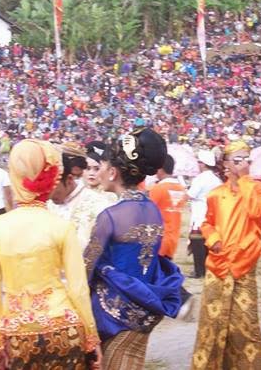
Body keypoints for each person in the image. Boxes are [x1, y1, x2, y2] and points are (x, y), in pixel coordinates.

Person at [0, 139, 100, 368]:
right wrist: (91, 337)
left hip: (18, 331)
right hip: (64, 326)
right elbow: (78, 288)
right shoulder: (61, 226)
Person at [83, 128, 183, 369]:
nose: (99, 171)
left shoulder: (111, 216)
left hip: (114, 315)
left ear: (113, 172)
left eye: (102, 165)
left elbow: (85, 269)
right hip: (146, 312)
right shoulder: (152, 209)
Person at [191, 141, 261, 370]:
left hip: (243, 266)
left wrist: (244, 179)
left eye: (246, 159)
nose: (243, 163)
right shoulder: (216, 194)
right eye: (237, 160)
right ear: (226, 164)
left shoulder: (259, 190)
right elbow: (207, 223)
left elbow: (254, 212)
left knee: (245, 325)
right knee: (211, 325)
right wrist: (213, 239)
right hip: (218, 265)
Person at [47, 141, 116, 248]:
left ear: (69, 180)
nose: (50, 196)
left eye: (54, 190)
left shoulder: (100, 205)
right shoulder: (46, 205)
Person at [186, 149, 222, 279]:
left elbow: (190, 195)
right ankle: (208, 268)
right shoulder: (216, 179)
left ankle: (199, 270)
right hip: (212, 215)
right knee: (208, 243)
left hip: (200, 214)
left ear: (203, 164)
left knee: (197, 244)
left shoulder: (200, 179)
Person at [148, 154, 188, 260]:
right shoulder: (181, 189)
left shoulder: (158, 189)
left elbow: (147, 213)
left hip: (159, 240)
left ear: (160, 169)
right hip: (173, 239)